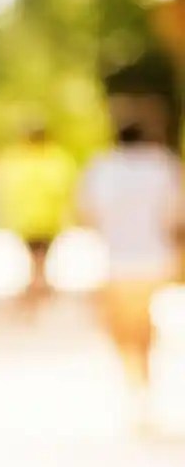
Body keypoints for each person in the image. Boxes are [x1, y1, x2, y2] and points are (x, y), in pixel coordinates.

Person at [78, 120, 183, 428]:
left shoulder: (102, 168)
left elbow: (87, 213)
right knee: (143, 323)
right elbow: (176, 215)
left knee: (122, 328)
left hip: (116, 261)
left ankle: (135, 383)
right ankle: (144, 385)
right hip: (155, 259)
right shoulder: (163, 165)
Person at [0, 123, 77, 318]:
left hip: (26, 220)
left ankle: (35, 297)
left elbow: (4, 189)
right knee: (40, 262)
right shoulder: (56, 159)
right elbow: (66, 189)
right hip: (48, 220)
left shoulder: (16, 160)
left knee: (35, 262)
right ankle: (38, 294)